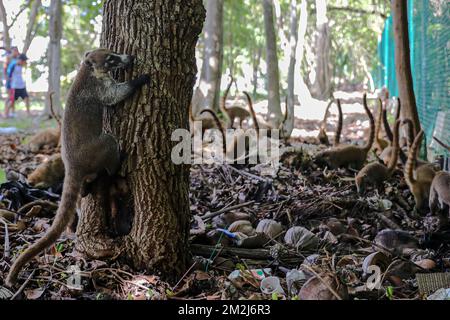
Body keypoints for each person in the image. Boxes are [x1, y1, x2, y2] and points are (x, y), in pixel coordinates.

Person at [5, 53, 30, 117]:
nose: (25, 62)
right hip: (15, 86)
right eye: (24, 61)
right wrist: (9, 86)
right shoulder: (13, 65)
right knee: (12, 101)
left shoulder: (21, 66)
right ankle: (6, 114)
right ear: (21, 60)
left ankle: (28, 113)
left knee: (26, 98)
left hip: (21, 85)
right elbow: (8, 75)